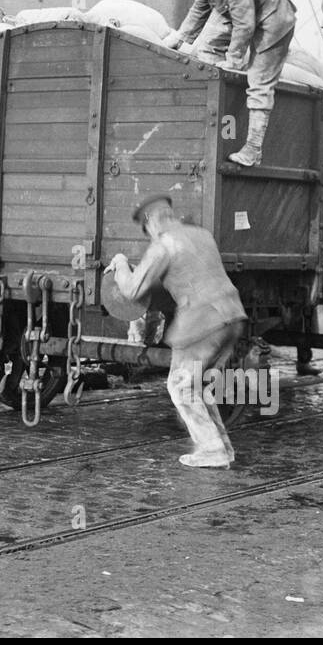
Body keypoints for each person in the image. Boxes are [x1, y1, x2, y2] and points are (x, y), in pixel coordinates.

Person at [106, 195, 247, 468]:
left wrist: (122, 263)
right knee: (200, 385)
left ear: (151, 221)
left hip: (202, 322)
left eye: (146, 229)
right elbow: (191, 272)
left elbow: (133, 289)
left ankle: (212, 450)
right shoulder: (202, 235)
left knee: (180, 386)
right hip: (232, 315)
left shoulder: (164, 245)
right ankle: (222, 448)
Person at [162, 0, 297, 167]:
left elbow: (244, 25)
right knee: (205, 51)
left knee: (259, 81)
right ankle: (213, 123)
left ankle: (253, 149)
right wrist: (177, 39)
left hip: (273, 18)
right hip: (240, 11)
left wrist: (233, 60)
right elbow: (199, 10)